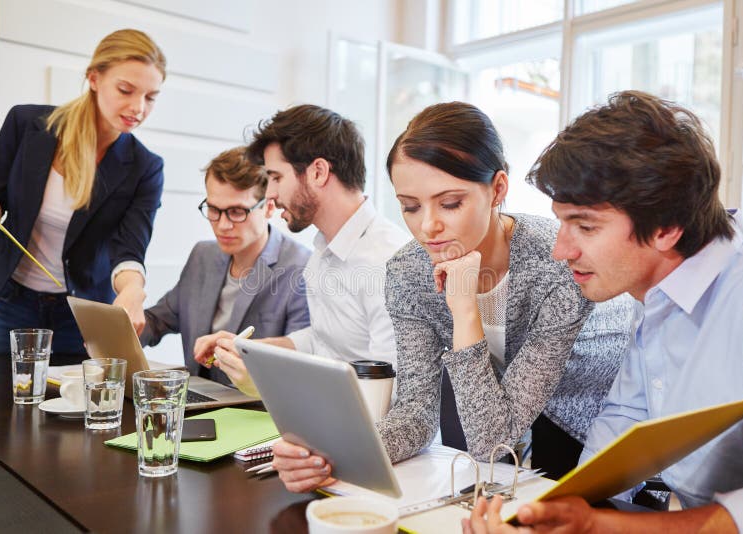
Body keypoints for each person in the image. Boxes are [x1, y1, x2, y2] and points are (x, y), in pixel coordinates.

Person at [466, 91, 743, 533]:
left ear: (666, 227)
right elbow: (623, 420)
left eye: (585, 226)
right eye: (561, 223)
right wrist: (542, 517)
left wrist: (594, 525)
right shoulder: (656, 292)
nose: (561, 251)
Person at [270, 102, 635, 493]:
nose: (428, 227)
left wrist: (464, 311)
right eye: (409, 206)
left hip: (602, 431)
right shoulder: (409, 271)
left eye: (450, 203)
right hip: (522, 437)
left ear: (497, 190)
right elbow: (415, 414)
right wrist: (334, 452)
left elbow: (489, 441)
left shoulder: (555, 264)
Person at [197, 104, 408, 395]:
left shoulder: (389, 262)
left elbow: (392, 394)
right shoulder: (323, 252)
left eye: (276, 178)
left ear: (318, 172)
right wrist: (249, 352)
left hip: (371, 437)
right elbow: (321, 342)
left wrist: (266, 382)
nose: (270, 194)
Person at [0, 29, 165, 361]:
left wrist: (132, 289)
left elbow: (129, 249)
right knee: (0, 403)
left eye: (151, 97)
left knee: (71, 410)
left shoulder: (145, 167)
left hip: (80, 312)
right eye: (126, 90)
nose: (138, 108)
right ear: (94, 78)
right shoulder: (26, 124)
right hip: (10, 300)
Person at [139, 147, 310, 389]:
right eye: (213, 210)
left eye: (237, 212)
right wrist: (119, 328)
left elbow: (301, 363)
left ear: (269, 207)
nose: (223, 225)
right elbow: (159, 319)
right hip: (196, 399)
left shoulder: (300, 267)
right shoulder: (203, 255)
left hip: (257, 408)